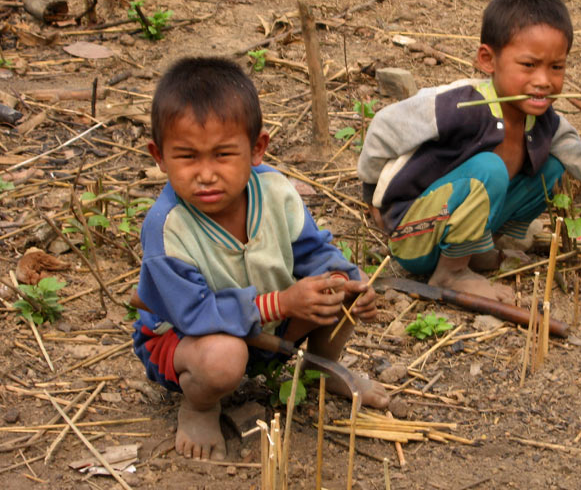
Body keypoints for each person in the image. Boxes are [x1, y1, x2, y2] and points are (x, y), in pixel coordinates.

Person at [131, 57, 388, 461]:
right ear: (159, 156)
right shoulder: (168, 227)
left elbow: (312, 251)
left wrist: (350, 279)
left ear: (257, 149)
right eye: (187, 157)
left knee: (336, 286)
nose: (206, 173)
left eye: (222, 155)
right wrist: (282, 303)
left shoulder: (275, 192)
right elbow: (193, 314)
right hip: (190, 340)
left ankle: (322, 368)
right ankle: (200, 406)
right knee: (223, 358)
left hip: (265, 326)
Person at [358, 0, 581, 304]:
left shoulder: (545, 123)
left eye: (556, 67)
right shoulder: (458, 106)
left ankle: (485, 250)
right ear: (487, 60)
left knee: (552, 168)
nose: (544, 80)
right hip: (418, 238)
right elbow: (384, 126)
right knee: (489, 168)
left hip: (466, 229)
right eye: (528, 65)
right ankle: (451, 272)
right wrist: (372, 195)